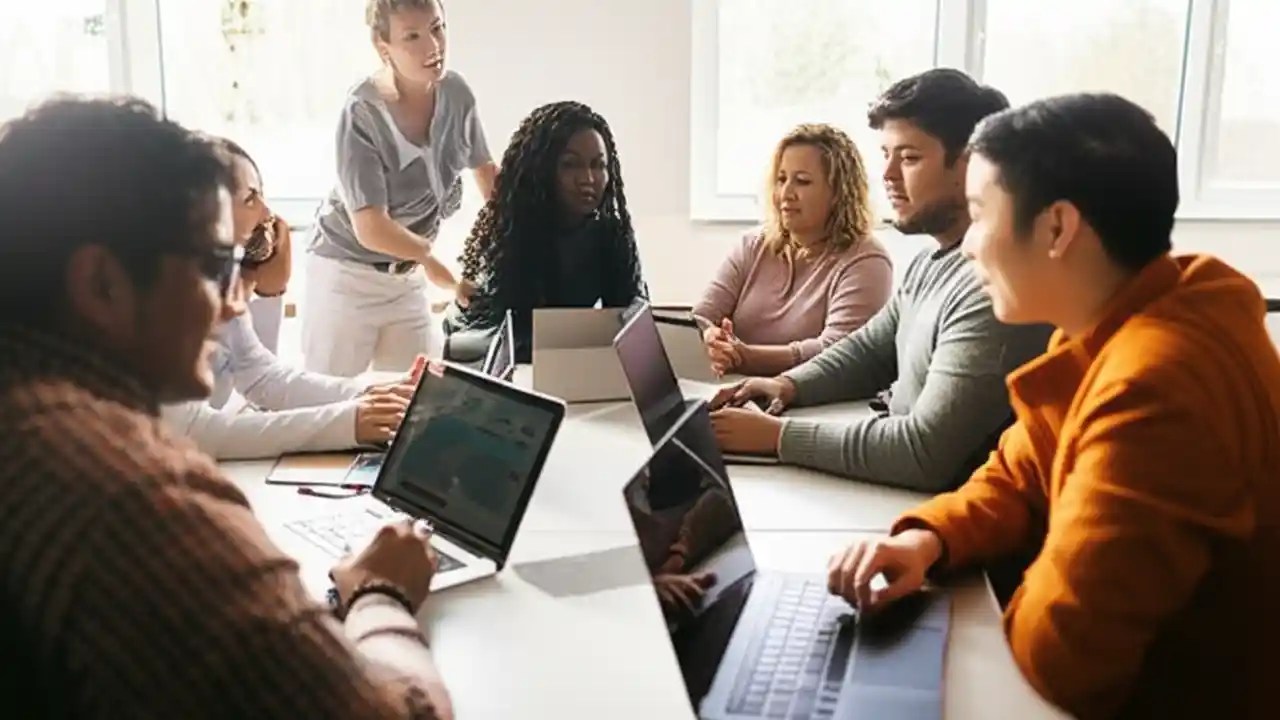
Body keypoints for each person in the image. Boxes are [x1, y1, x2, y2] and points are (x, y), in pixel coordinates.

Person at [827, 93, 1280, 719]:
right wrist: (929, 539)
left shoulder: (1155, 388)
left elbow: (1061, 660)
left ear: (1057, 228)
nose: (967, 247)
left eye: (980, 216)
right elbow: (1019, 473)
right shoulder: (1129, 312)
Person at [0, 96, 452, 718]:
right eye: (215, 266)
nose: (236, 303)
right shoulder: (136, 500)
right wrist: (381, 596)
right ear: (102, 284)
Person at [709, 69, 1051, 492]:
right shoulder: (933, 262)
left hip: (945, 523)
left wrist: (775, 437)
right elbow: (870, 349)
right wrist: (787, 385)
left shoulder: (996, 287)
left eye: (908, 158)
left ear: (970, 167)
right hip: (898, 497)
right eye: (886, 155)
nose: (886, 174)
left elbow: (924, 453)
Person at [161, 138, 420, 461]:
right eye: (251, 198)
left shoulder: (218, 272)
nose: (267, 212)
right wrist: (347, 421)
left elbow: (259, 374)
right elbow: (196, 432)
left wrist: (368, 396)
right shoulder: (158, 289)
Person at [302, 0, 498, 376]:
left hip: (404, 279)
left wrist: (517, 231)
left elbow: (486, 172)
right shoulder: (362, 111)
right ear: (383, 46)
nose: (433, 46)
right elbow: (370, 226)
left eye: (437, 28)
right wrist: (438, 267)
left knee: (423, 399)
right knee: (328, 405)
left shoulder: (456, 94)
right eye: (412, 36)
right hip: (344, 275)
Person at [445, 100, 648, 362]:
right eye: (570, 165)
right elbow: (503, 339)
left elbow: (631, 317)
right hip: (476, 355)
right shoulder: (514, 234)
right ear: (541, 170)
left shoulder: (610, 235)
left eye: (598, 165)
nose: (587, 178)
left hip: (553, 361)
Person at [695, 123, 891, 376]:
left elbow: (838, 352)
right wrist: (711, 337)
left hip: (811, 405)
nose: (786, 193)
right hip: (734, 394)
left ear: (839, 192)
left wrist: (746, 357)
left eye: (802, 181)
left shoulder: (866, 259)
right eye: (781, 179)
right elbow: (699, 319)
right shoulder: (753, 245)